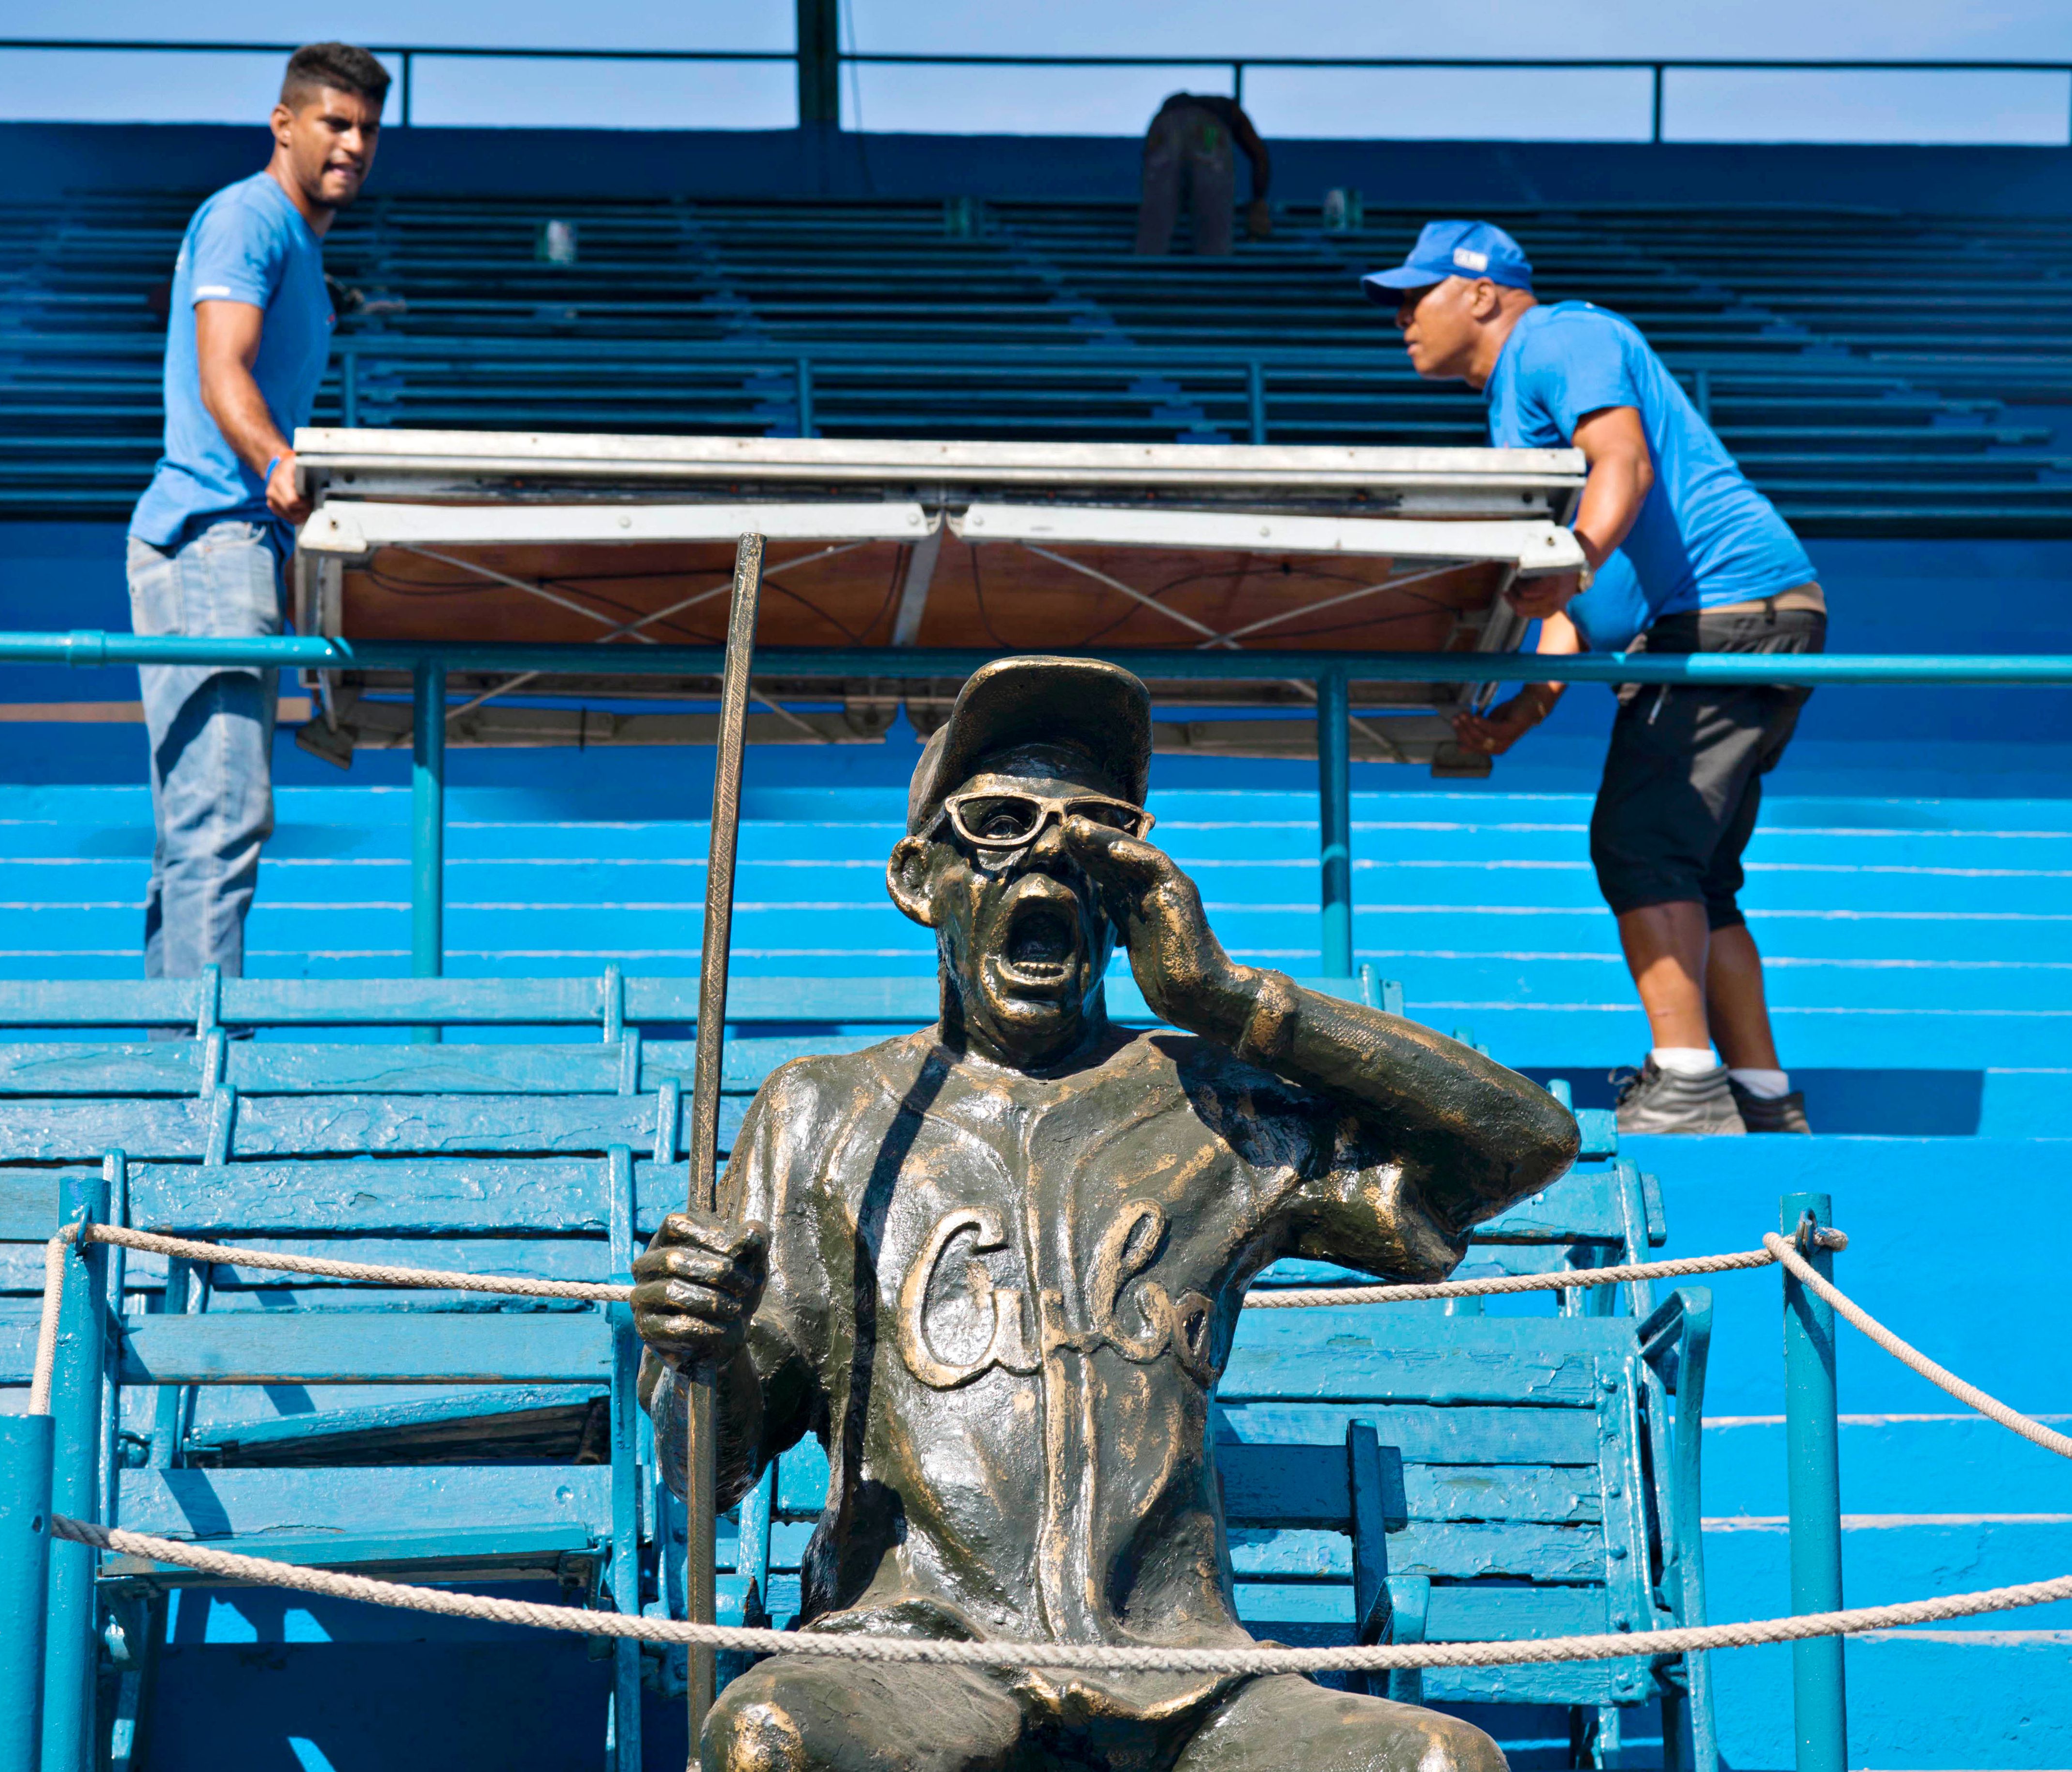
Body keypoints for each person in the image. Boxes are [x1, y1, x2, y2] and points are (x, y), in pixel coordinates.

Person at [633, 655, 1580, 1772]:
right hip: (910, 1662)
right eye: (996, 822)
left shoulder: (1212, 1102)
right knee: (764, 1739)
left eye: (1094, 830)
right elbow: (711, 1467)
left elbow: (1521, 1146)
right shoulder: (822, 1113)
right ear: (916, 878)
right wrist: (696, 1351)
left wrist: (1223, 997)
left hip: (1181, 1682)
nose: (1048, 855)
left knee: (1440, 1767)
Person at [1364, 220, 1825, 1135]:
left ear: (1483, 293)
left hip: (1719, 622)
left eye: (1418, 297)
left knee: (1638, 846)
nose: (1401, 319)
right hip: (1737, 622)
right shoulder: (1514, 396)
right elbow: (1568, 610)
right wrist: (1522, 711)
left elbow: (1624, 464)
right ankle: (1765, 1097)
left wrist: (1573, 554)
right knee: (1699, 872)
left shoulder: (1561, 336)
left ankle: (1687, 1083)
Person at [126, 43, 388, 989]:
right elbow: (220, 368)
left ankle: (171, 1054)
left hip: (225, 539)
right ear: (284, 124)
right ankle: (199, 1069)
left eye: (367, 128)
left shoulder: (298, 243)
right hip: (214, 533)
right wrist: (276, 459)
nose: (354, 144)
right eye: (335, 123)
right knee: (224, 809)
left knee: (202, 815)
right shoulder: (250, 217)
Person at [1136, 93, 1272, 255]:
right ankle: (1214, 268)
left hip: (1164, 126)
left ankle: (1146, 267)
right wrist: (1258, 201)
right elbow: (1260, 156)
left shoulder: (1175, 105)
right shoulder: (1229, 110)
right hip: (1208, 130)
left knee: (1153, 228)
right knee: (1214, 236)